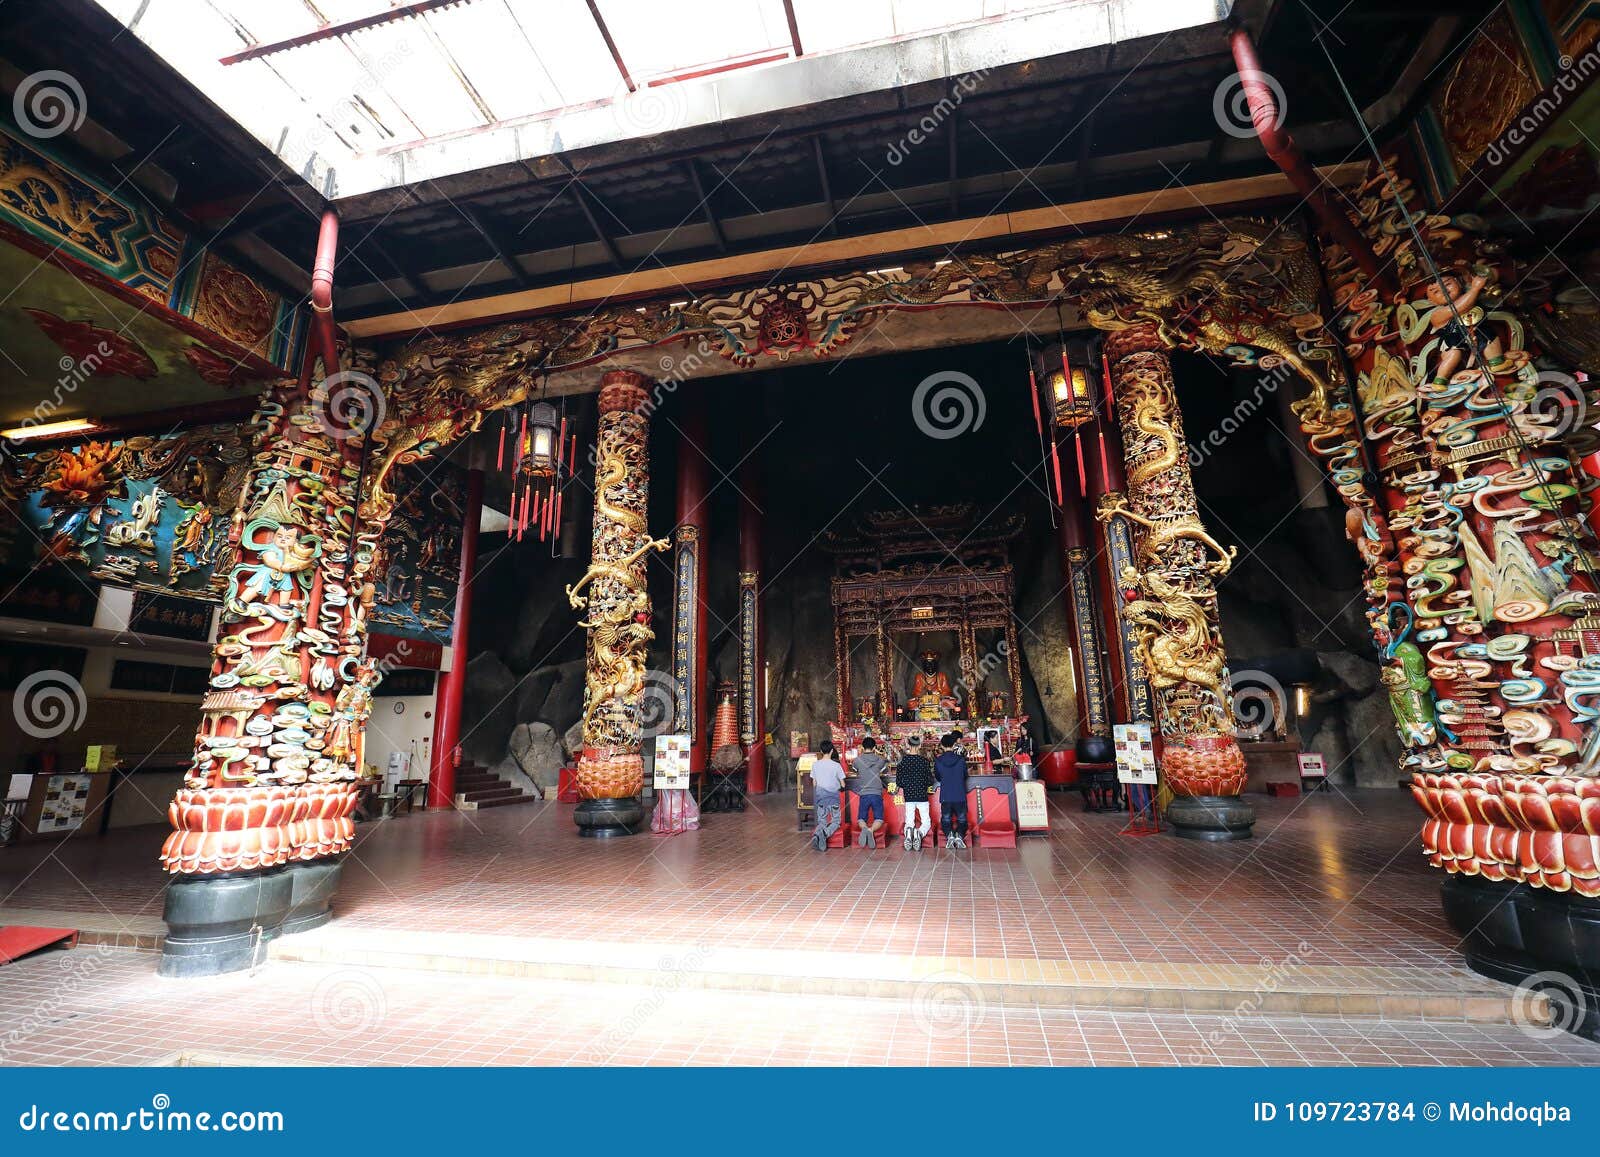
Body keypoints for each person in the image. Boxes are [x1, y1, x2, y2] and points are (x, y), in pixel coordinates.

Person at [896, 733, 935, 851]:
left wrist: (907, 785)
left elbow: (899, 781)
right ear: (919, 746)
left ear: (908, 744)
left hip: (909, 795)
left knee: (909, 820)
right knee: (926, 821)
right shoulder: (924, 761)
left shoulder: (903, 761)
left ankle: (909, 834)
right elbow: (930, 781)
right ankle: (919, 834)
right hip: (922, 795)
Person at [851, 736, 888, 848]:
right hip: (877, 792)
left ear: (862, 747)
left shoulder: (857, 760)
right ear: (874, 747)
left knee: (861, 818)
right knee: (879, 818)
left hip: (864, 793)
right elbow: (883, 771)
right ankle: (871, 830)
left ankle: (865, 829)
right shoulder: (880, 760)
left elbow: (855, 771)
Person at [935, 732, 970, 850]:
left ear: (942, 746)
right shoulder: (960, 759)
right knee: (962, 818)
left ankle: (950, 835)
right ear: (954, 744)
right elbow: (965, 775)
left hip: (946, 795)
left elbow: (938, 777)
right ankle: (959, 836)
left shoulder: (938, 761)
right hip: (959, 794)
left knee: (946, 818)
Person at [809, 741, 846, 851]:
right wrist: (839, 786)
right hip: (833, 798)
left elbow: (814, 783)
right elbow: (843, 784)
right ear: (831, 751)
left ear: (821, 751)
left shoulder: (815, 765)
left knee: (822, 821)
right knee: (835, 821)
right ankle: (824, 834)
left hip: (821, 799)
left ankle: (817, 835)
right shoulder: (836, 765)